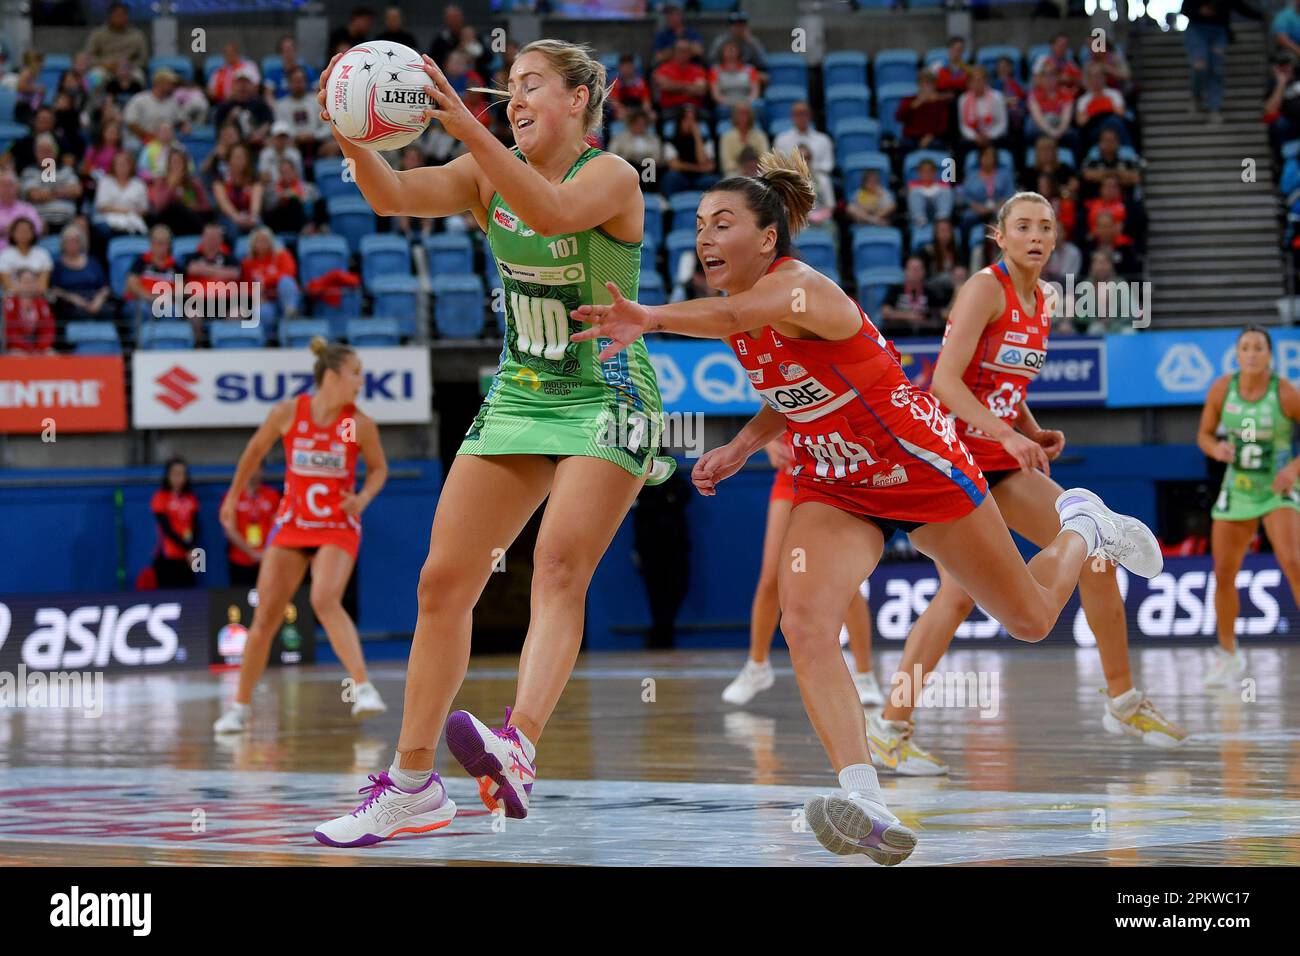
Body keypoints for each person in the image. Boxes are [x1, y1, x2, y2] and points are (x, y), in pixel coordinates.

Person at [569, 152, 1163, 862]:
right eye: (698, 225)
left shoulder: (801, 291)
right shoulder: (738, 310)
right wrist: (742, 447)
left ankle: (1083, 522)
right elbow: (791, 389)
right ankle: (866, 800)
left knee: (1033, 619)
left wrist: (651, 317)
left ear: (768, 239)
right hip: (838, 481)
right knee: (807, 620)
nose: (703, 237)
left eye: (721, 223)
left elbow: (732, 313)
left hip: (919, 465)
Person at [310, 40, 674, 849]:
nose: (514, 100)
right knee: (442, 582)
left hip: (607, 390)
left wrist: (463, 122)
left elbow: (547, 211)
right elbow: (393, 197)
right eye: (508, 88)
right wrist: (350, 126)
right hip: (521, 391)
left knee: (557, 565)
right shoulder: (485, 173)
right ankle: (411, 786)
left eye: (532, 86)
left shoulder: (609, 176)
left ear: (579, 99)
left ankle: (521, 740)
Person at [871, 192, 1184, 776]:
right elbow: (944, 384)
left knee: (1094, 551)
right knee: (958, 595)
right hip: (948, 457)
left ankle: (1122, 702)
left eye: (1046, 226)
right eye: (1023, 226)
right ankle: (890, 726)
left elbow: (1004, 389)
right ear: (1000, 235)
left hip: (1001, 454)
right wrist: (1007, 435)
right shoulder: (983, 289)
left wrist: (1031, 432)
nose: (1036, 236)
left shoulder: (1045, 298)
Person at [214, 338, 389, 732]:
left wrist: (362, 497)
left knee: (324, 598)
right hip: (294, 523)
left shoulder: (356, 423)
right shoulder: (290, 413)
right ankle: (239, 708)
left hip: (337, 524)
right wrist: (233, 496)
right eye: (355, 372)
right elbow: (254, 451)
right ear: (332, 376)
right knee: (265, 617)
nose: (361, 380)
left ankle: (363, 689)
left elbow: (379, 469)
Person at [721, 435, 884, 709]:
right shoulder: (776, 392)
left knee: (844, 581)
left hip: (834, 480)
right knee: (771, 577)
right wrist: (769, 443)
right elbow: (769, 415)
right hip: (792, 478)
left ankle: (865, 675)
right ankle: (757, 666)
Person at [1197, 326, 1300, 688]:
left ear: (1270, 356)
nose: (1252, 353)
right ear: (1237, 355)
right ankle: (1228, 654)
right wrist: (1216, 450)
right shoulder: (1222, 389)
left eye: (1259, 348)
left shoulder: (1285, 393)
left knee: (1294, 562)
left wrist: (1293, 468)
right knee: (1224, 575)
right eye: (1246, 347)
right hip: (1237, 489)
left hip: (1276, 489)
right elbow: (1204, 435)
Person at [221, 463, 282, 588]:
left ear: (262, 471)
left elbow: (277, 527)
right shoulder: (231, 497)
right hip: (240, 560)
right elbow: (229, 530)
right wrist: (251, 553)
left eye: (257, 468)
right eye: (249, 467)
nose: (253, 473)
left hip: (267, 559)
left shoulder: (273, 496)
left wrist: (267, 552)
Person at [151, 457, 201, 588]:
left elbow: (196, 527)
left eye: (182, 474)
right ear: (168, 476)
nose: (178, 478)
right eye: (175, 474)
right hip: (168, 557)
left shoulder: (191, 498)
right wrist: (186, 548)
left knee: (191, 591)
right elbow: (167, 529)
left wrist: (193, 550)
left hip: (190, 556)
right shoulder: (160, 497)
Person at [49, 223, 111, 325]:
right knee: (79, 313)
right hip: (70, 303)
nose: (72, 244)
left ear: (81, 242)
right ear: (63, 244)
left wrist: (98, 301)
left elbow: (105, 287)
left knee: (106, 311)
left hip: (93, 299)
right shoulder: (57, 265)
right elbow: (54, 289)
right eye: (68, 241)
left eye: (75, 241)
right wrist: (73, 299)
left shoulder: (93, 262)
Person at [3, 268, 55, 354]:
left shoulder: (42, 303)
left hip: (39, 347)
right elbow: (9, 330)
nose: (29, 285)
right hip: (16, 347)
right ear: (17, 284)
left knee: (51, 355)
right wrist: (27, 348)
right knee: (17, 355)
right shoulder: (9, 304)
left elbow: (48, 329)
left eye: (32, 282)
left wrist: (40, 347)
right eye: (25, 282)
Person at [0, 217, 52, 293]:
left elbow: (43, 287)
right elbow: (8, 288)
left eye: (26, 230)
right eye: (19, 231)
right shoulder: (5, 255)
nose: (23, 233)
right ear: (12, 233)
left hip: (37, 298)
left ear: (33, 233)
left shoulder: (42, 254)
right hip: (13, 299)